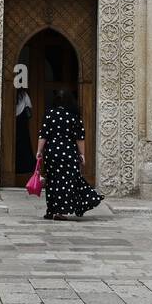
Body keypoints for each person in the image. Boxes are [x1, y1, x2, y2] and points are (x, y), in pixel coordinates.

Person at [35, 89, 103, 221]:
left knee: (52, 181)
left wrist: (39, 151)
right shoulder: (73, 116)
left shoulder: (50, 114)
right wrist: (82, 154)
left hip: (52, 152)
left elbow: (43, 134)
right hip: (68, 152)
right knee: (66, 182)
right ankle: (61, 211)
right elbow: (79, 138)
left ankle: (51, 210)